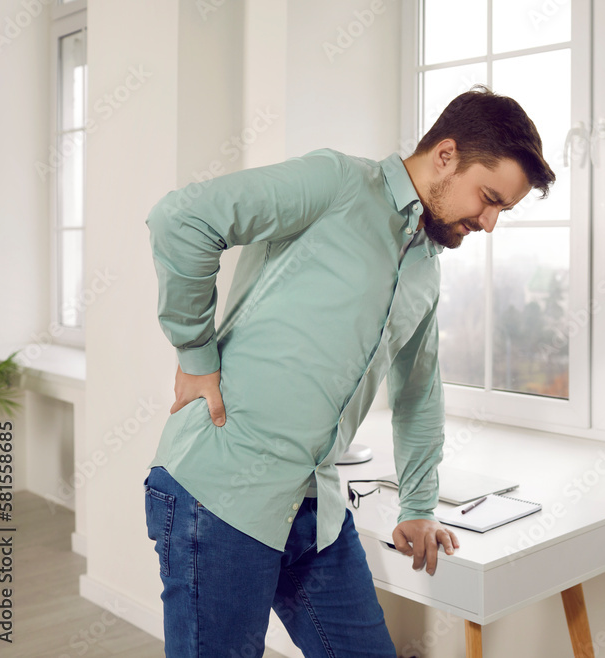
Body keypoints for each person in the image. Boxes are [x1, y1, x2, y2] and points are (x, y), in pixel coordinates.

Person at [142, 84, 555, 657]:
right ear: (446, 155)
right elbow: (181, 219)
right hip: (221, 495)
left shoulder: (425, 268)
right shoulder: (335, 184)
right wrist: (195, 353)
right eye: (488, 199)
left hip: (315, 509)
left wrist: (418, 506)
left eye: (501, 210)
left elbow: (417, 394)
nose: (488, 223)